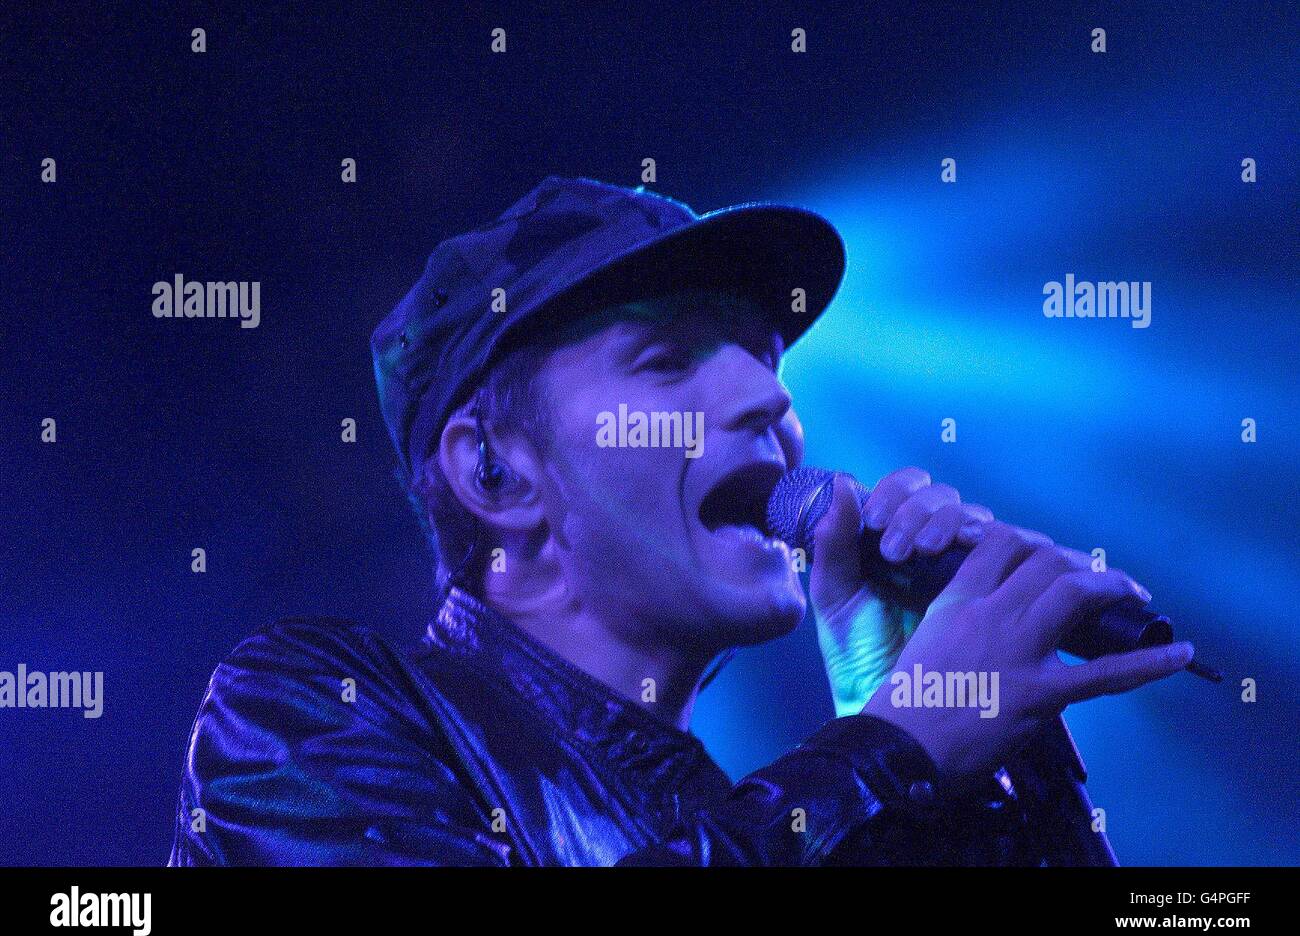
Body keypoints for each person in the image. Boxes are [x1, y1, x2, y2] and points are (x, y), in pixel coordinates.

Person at [168, 176, 1193, 865]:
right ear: (493, 467)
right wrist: (892, 753)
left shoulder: (741, 812)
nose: (768, 402)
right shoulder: (307, 706)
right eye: (666, 362)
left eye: (764, 358)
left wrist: (984, 788)